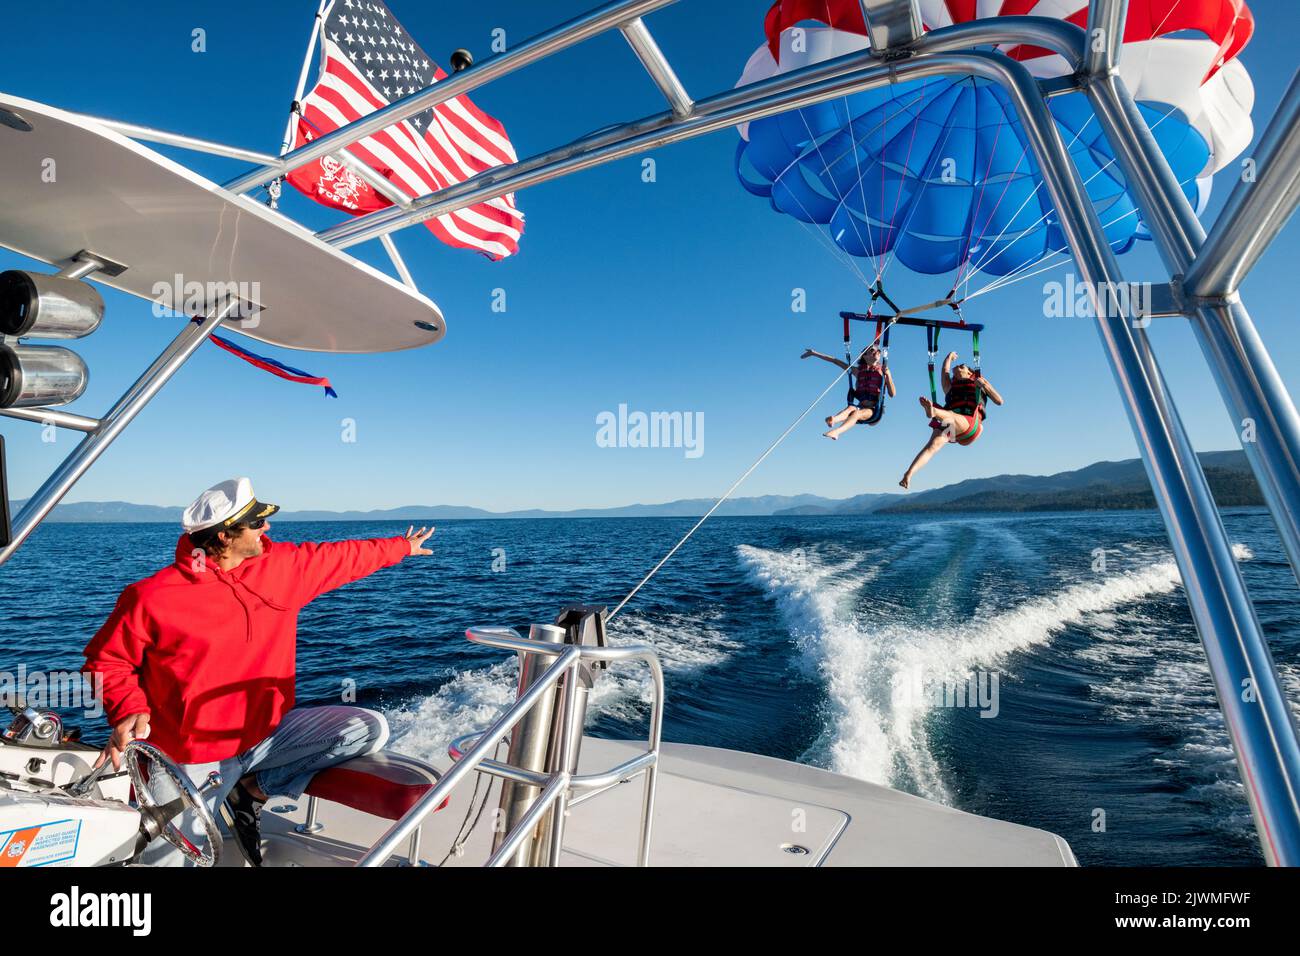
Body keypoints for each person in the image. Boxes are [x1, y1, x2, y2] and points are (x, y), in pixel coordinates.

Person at [82, 476, 436, 867]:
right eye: (256, 522)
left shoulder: (282, 566)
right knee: (167, 863)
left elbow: (343, 556)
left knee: (368, 727)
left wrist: (402, 546)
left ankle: (252, 790)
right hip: (189, 757)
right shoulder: (151, 596)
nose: (266, 527)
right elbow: (107, 661)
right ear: (223, 537)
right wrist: (128, 707)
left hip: (265, 736)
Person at [899, 352, 1004, 489]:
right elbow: (944, 371)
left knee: (950, 416)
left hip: (970, 425)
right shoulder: (949, 388)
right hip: (950, 422)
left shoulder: (979, 382)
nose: (958, 366)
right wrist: (948, 358)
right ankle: (909, 474)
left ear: (969, 372)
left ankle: (933, 411)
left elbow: (999, 401)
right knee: (933, 445)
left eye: (962, 366)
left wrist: (984, 385)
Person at [802, 345, 896, 439]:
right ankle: (834, 419)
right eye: (872, 350)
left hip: (874, 410)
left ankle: (836, 432)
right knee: (851, 408)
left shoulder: (883, 372)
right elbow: (835, 361)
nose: (877, 352)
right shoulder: (858, 371)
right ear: (864, 355)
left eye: (879, 350)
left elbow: (892, 394)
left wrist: (888, 375)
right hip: (860, 407)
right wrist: (814, 353)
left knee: (856, 413)